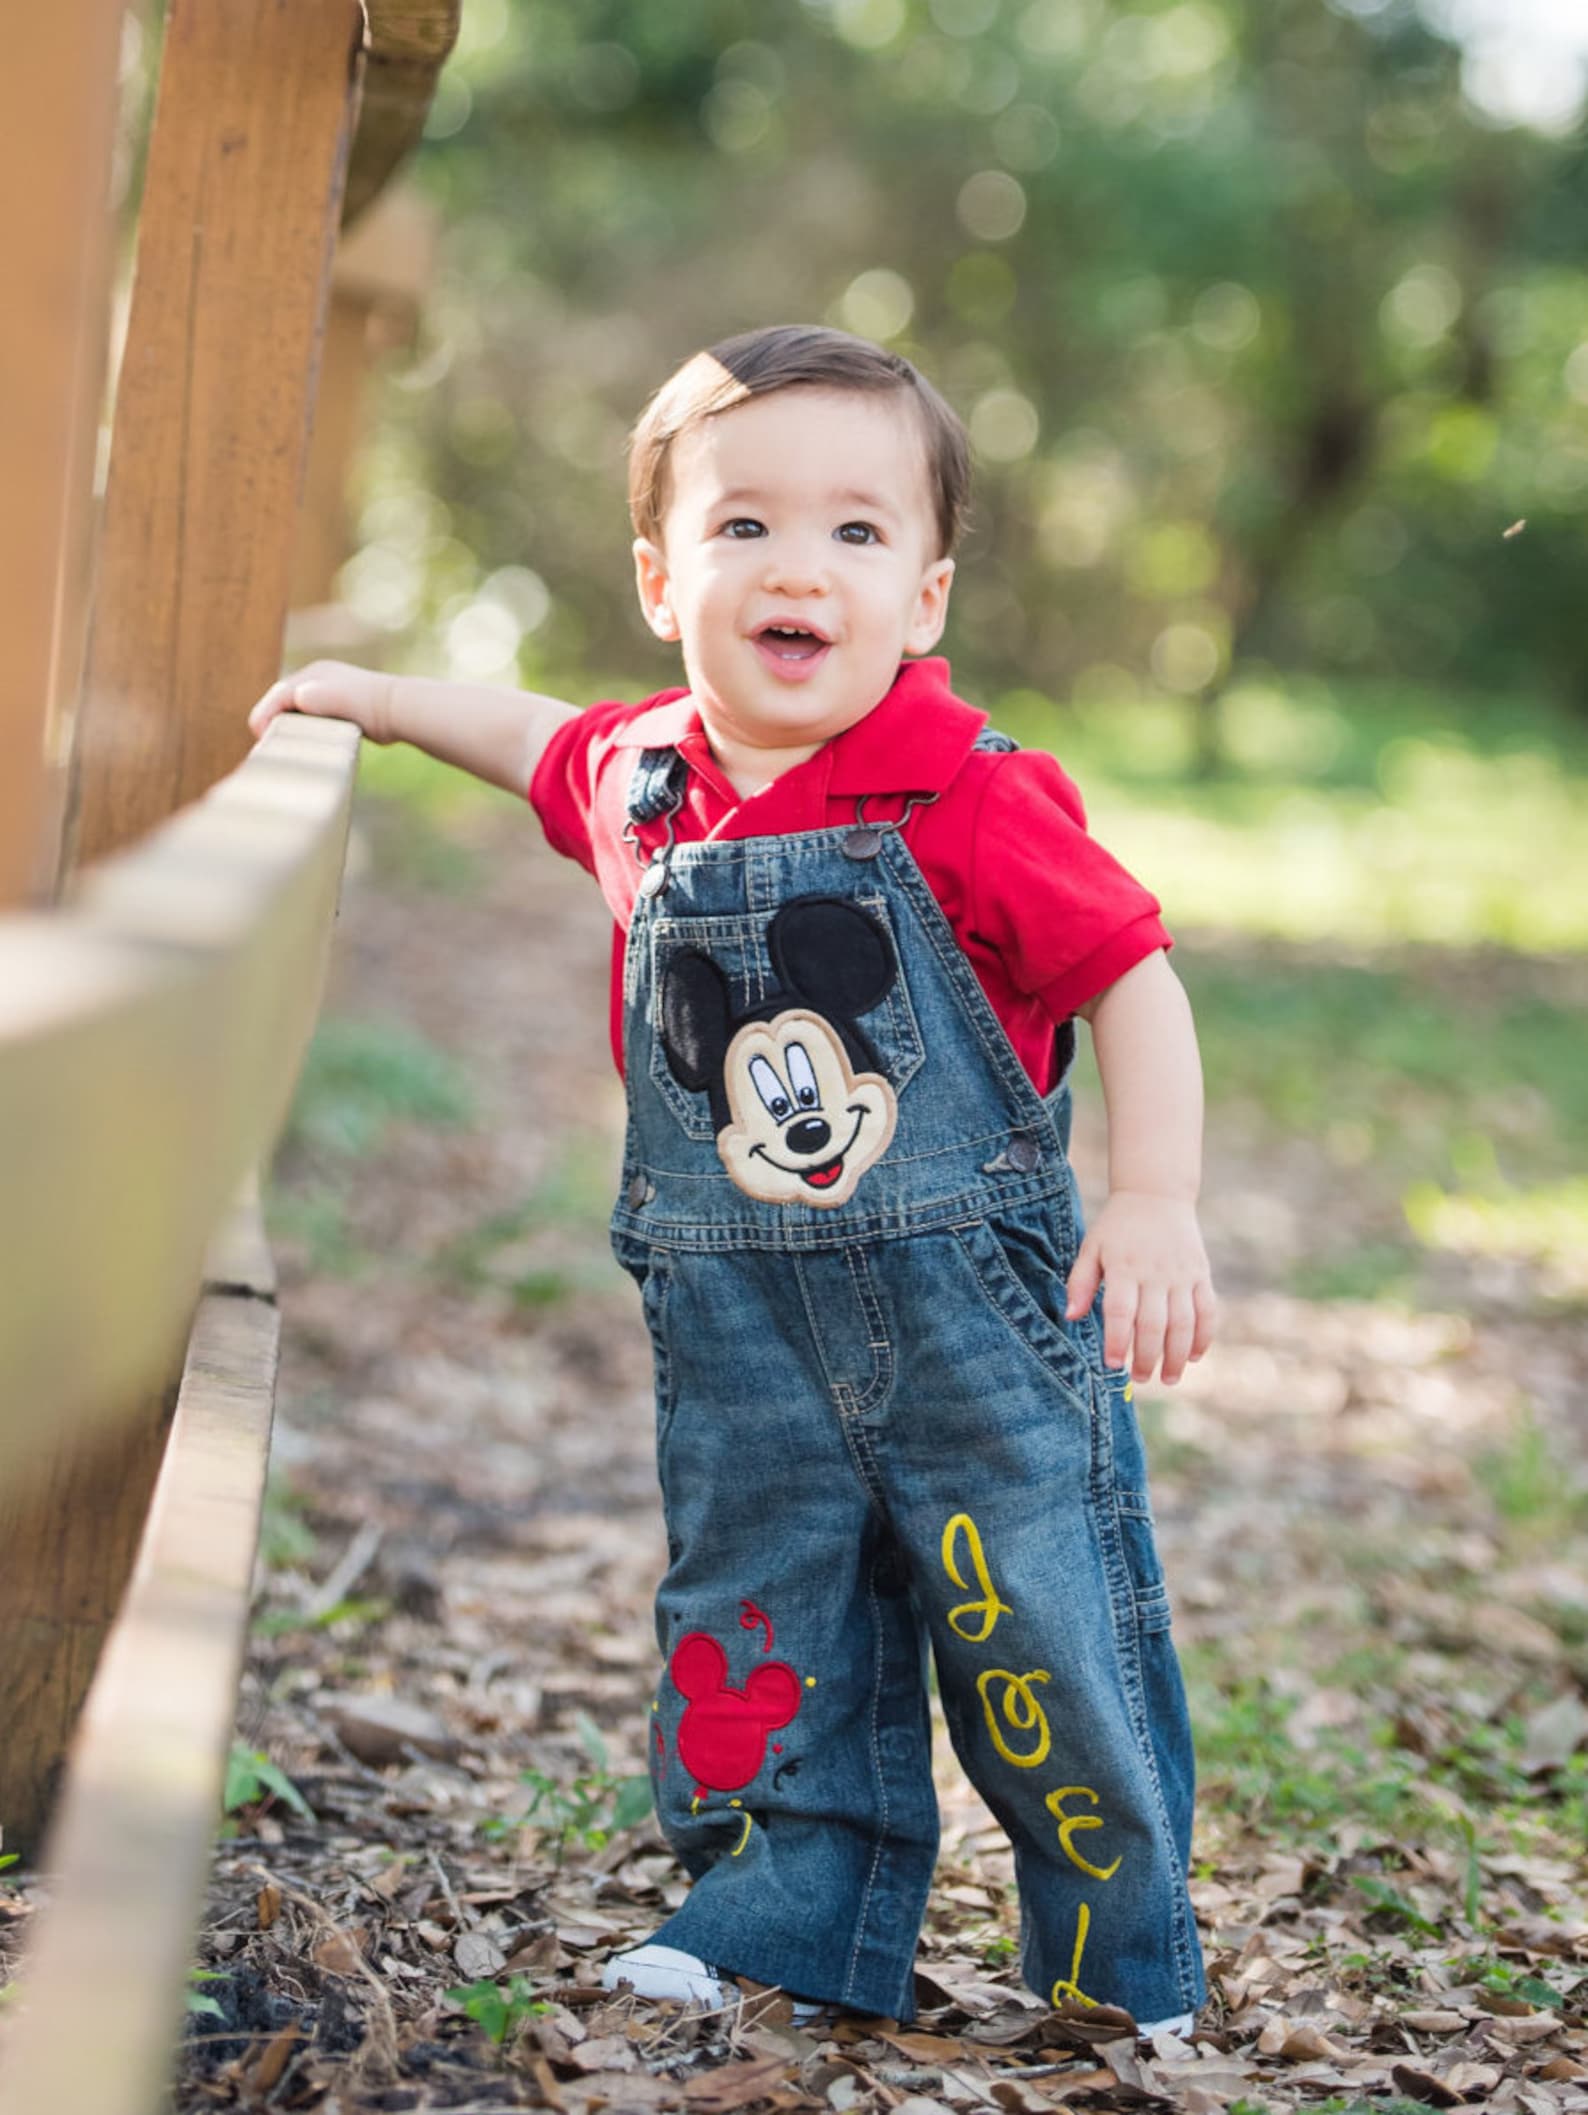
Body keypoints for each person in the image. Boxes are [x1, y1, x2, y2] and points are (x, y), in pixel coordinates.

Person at [248, 324, 1216, 2034]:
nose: (798, 567)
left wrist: (1153, 1202)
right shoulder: (641, 778)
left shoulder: (973, 798)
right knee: (756, 1625)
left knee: (1046, 1628)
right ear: (660, 577)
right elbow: (527, 734)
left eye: (857, 530)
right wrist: (378, 704)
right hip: (739, 1337)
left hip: (980, 1332)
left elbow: (1131, 975)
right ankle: (785, 1912)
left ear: (923, 595)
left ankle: (1116, 1961)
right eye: (745, 524)